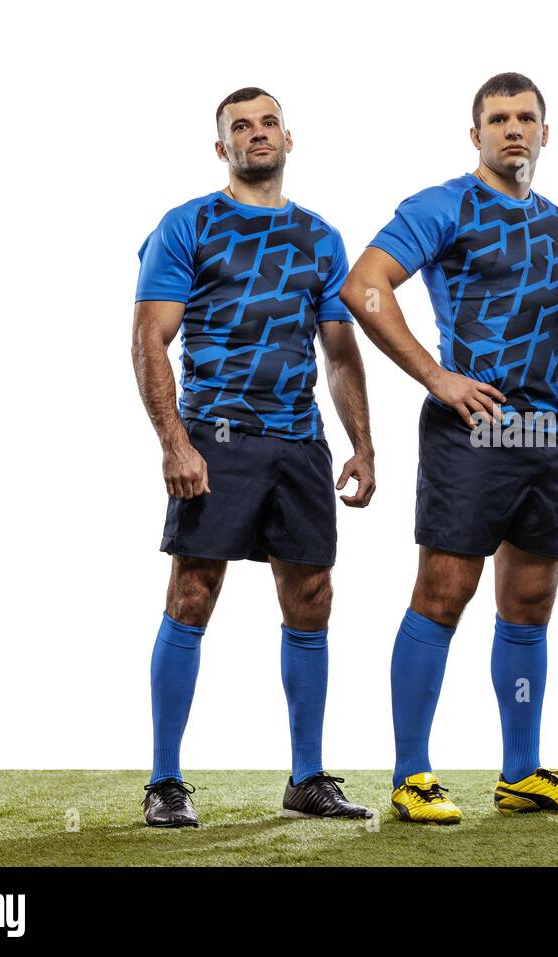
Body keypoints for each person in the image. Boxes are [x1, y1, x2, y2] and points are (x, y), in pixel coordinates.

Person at [341, 72, 558, 824]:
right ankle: (411, 772)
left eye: (526, 117)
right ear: (476, 133)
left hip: (542, 437)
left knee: (529, 601)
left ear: (545, 133)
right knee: (443, 592)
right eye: (498, 118)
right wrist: (437, 376)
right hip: (471, 431)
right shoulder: (444, 205)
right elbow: (365, 286)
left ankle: (521, 771)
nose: (513, 129)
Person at [131, 87, 375, 827]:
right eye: (240, 126)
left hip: (299, 444)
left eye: (268, 122)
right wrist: (175, 441)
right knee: (193, 594)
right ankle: (164, 781)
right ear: (222, 149)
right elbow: (149, 339)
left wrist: (363, 442)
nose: (256, 133)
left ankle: (306, 777)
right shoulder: (189, 225)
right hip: (218, 437)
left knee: (311, 600)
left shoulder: (321, 237)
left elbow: (338, 352)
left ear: (289, 138)